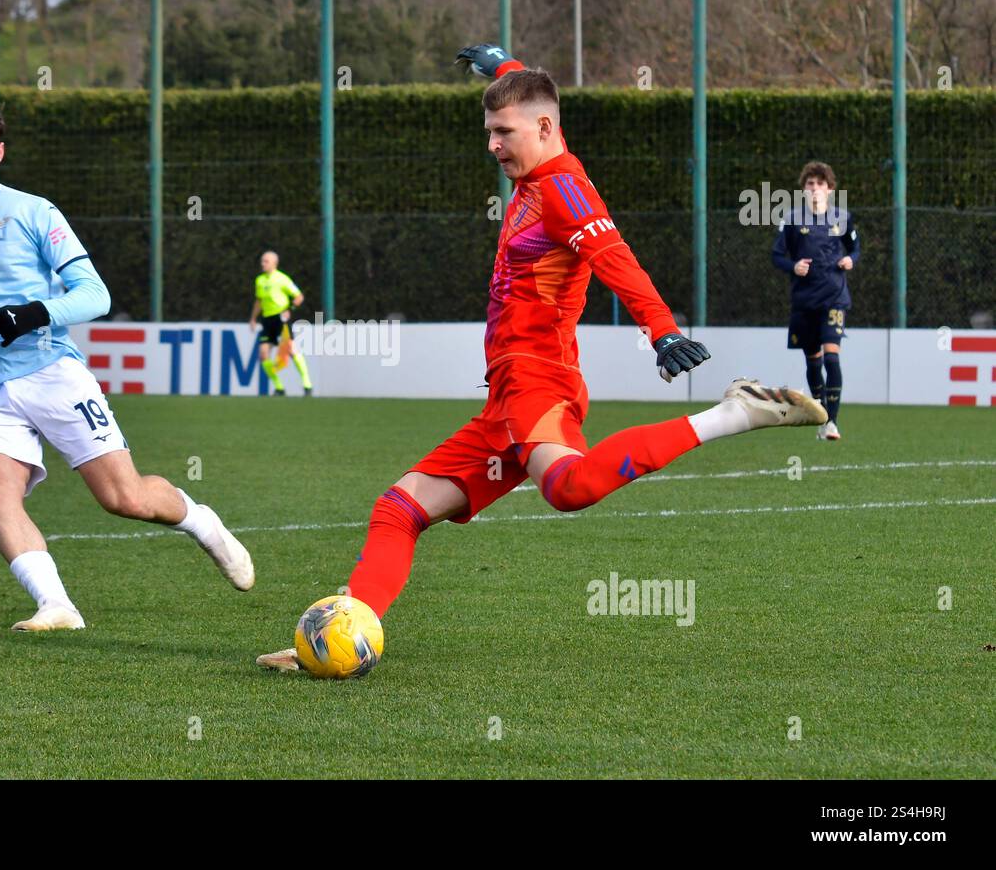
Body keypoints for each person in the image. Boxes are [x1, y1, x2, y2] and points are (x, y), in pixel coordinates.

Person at [257, 46, 826, 671]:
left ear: (545, 130)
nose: (494, 145)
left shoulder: (563, 191)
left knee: (570, 488)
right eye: (490, 132)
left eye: (504, 133)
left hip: (540, 379)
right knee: (399, 508)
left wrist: (662, 332)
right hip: (505, 395)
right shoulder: (535, 159)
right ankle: (341, 630)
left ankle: (733, 415)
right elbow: (528, 91)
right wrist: (504, 65)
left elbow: (617, 259)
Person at [0, 91, 253, 631]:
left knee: (123, 498)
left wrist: (33, 313)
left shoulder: (34, 212)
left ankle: (201, 520)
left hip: (53, 373)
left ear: (1, 151)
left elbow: (95, 295)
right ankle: (56, 604)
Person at [771, 161, 858, 440]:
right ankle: (820, 414)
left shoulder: (842, 218)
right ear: (804, 188)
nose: (815, 188)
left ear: (830, 189)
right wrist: (793, 266)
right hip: (804, 301)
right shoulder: (792, 219)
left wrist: (849, 260)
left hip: (834, 297)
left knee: (832, 358)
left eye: (821, 184)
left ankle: (831, 421)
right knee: (813, 362)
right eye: (810, 183)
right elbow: (777, 255)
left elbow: (856, 249)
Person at [249, 250, 312, 396]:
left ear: (274, 263)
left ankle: (307, 384)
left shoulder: (282, 279)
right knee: (264, 354)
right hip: (267, 320)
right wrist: (253, 318)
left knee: (290, 350)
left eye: (266, 261)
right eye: (262, 261)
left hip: (280, 319)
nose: (262, 264)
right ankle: (279, 387)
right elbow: (259, 301)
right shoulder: (260, 280)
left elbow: (299, 296)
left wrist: (290, 309)